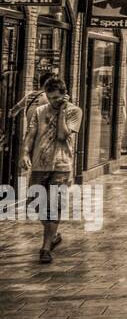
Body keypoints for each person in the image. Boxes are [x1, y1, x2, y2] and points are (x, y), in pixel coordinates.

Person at [19, 76, 82, 264]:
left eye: (57, 98)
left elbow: (63, 135)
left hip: (61, 166)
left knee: (53, 207)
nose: (53, 101)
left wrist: (62, 112)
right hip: (40, 164)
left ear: (64, 95)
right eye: (50, 98)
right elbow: (30, 135)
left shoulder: (74, 111)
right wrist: (24, 153)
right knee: (34, 204)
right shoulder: (40, 111)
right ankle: (53, 234)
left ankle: (45, 248)